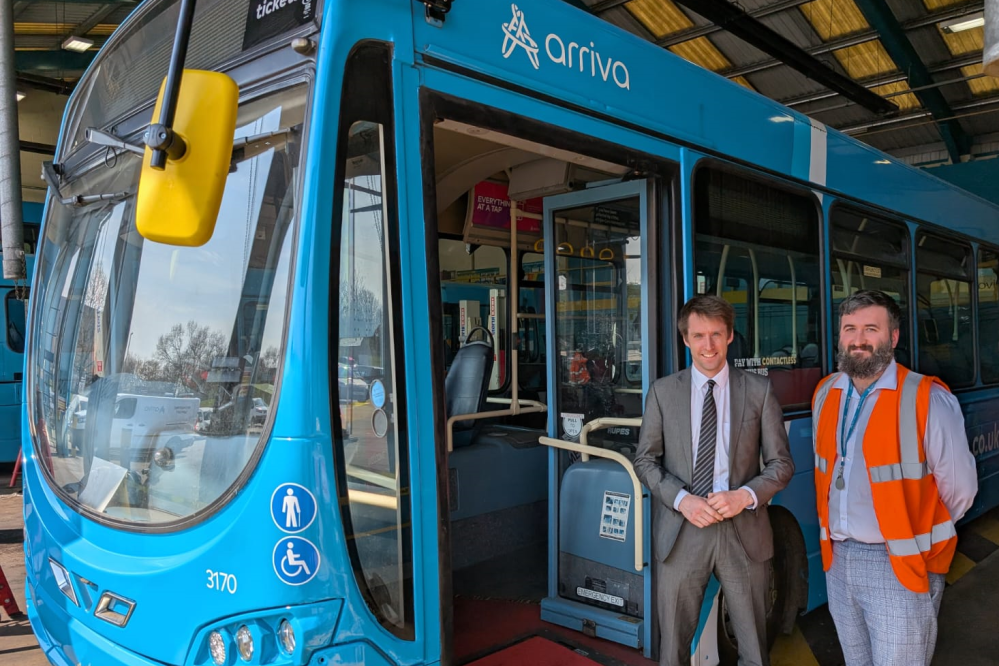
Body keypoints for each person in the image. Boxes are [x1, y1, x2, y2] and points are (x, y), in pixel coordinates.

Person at [812, 290, 977, 666]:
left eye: (871, 328)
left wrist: (916, 539)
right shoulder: (826, 393)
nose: (858, 339)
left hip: (897, 563)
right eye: (850, 328)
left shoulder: (925, 397)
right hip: (837, 560)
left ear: (893, 337)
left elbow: (961, 490)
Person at [634, 294, 794, 666]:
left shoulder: (759, 390)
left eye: (716, 335)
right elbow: (645, 460)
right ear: (685, 339)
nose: (708, 345)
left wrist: (745, 496)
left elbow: (781, 464)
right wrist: (681, 500)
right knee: (672, 648)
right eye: (699, 335)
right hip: (682, 531)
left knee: (754, 648)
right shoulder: (662, 392)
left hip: (744, 531)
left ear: (730, 336)